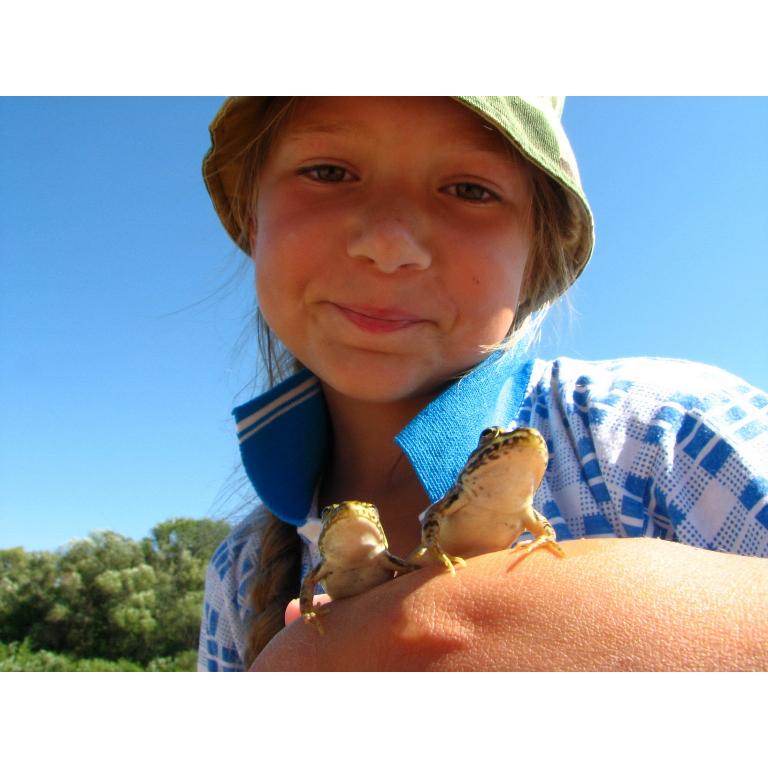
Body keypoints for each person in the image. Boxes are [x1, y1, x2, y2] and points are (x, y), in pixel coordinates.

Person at [197, 97, 768, 672]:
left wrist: (652, 630)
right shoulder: (237, 575)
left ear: (536, 254)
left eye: (470, 190)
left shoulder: (667, 435)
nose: (388, 244)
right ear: (254, 218)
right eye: (327, 172)